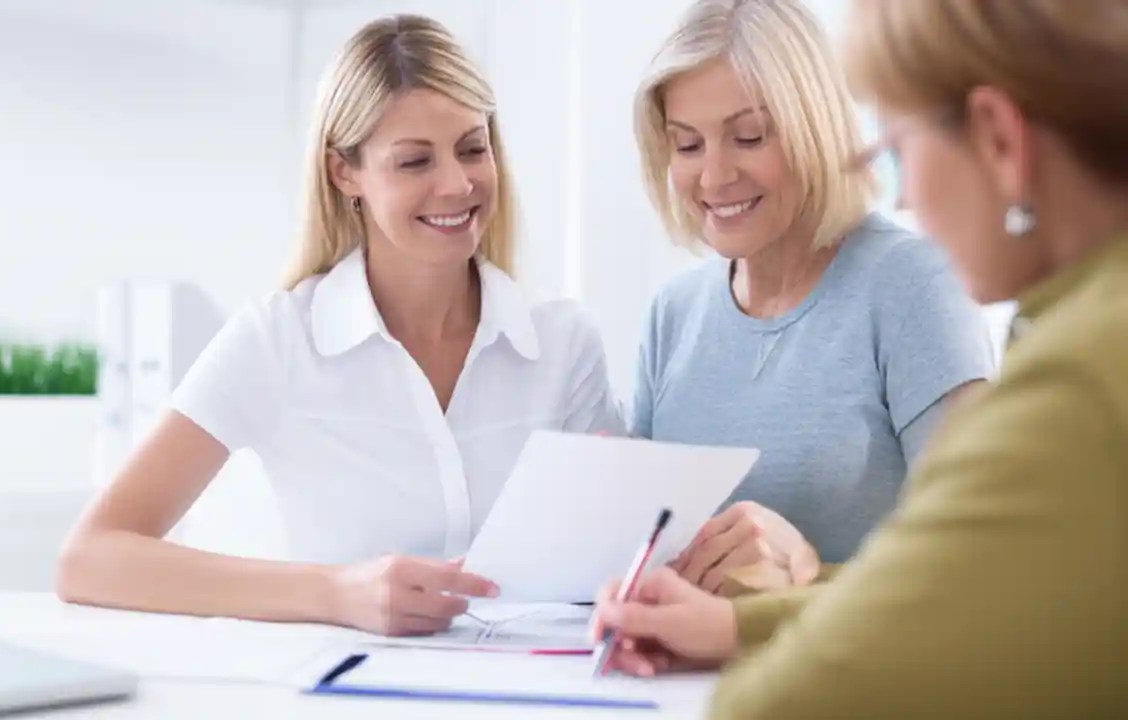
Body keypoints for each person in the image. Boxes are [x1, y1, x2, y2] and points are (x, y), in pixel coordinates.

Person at [595, 0, 1128, 716]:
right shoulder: (1071, 337)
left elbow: (948, 595)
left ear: (1000, 137)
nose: (901, 190)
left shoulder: (1071, 378)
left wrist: (790, 583)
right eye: (686, 144)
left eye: (898, 148)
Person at [57, 14, 622, 637]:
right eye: (414, 162)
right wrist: (334, 591)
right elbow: (91, 558)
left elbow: (621, 561)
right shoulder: (278, 340)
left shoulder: (565, 345)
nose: (457, 184)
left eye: (472, 148)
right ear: (344, 171)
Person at [629, 0, 993, 591]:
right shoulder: (671, 315)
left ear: (814, 128)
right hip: (679, 679)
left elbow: (980, 565)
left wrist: (803, 571)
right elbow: (646, 555)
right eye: (687, 145)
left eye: (748, 136)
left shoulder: (913, 289)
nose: (715, 176)